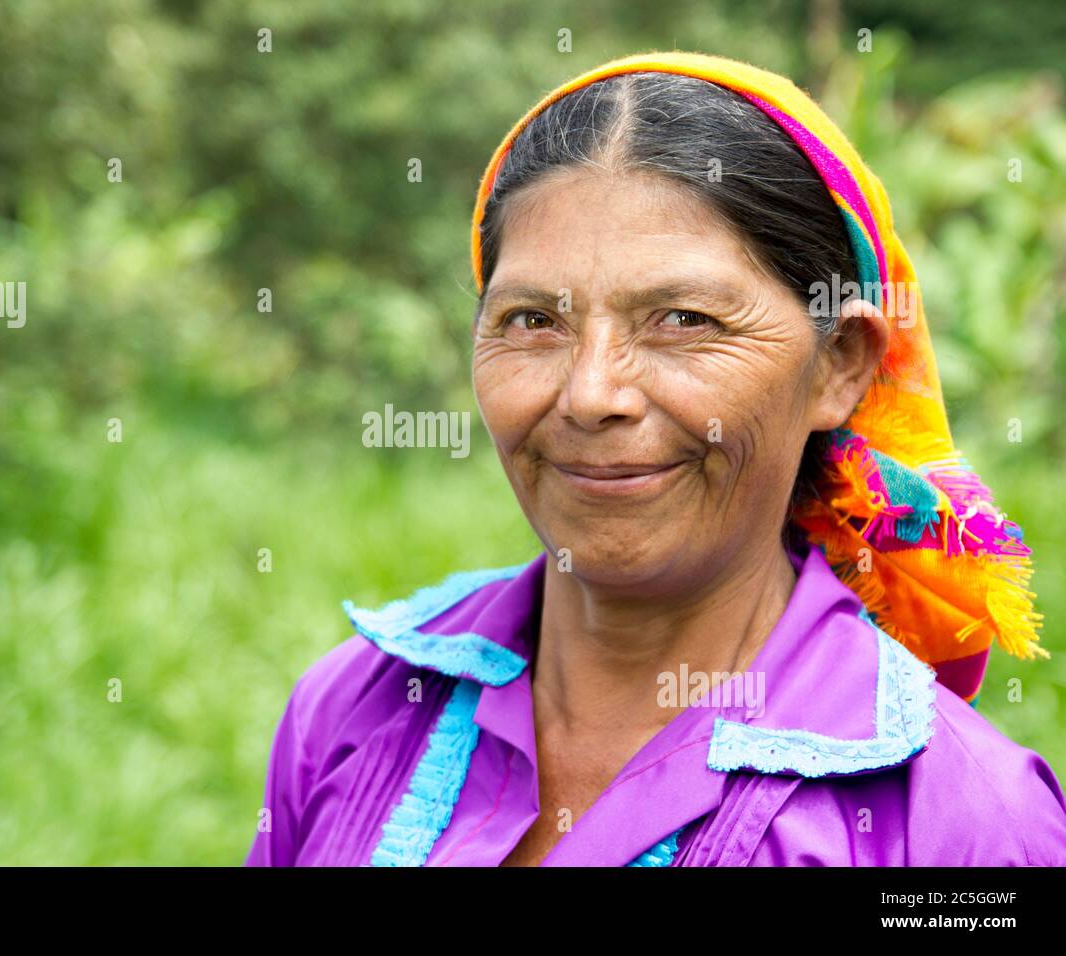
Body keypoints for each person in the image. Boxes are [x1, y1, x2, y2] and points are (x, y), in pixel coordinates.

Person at [244, 51, 1066, 866]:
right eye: (534, 321)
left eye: (683, 319)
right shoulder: (357, 706)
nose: (591, 393)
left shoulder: (962, 828)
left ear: (839, 364)